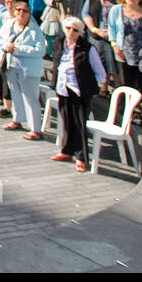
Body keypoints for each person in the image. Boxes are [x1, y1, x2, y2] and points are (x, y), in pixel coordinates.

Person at [49, 18, 107, 171]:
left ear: (81, 32)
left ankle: (81, 158)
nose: (70, 32)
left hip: (80, 90)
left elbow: (100, 72)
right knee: (67, 122)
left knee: (80, 124)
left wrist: (93, 86)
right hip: (63, 87)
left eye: (75, 30)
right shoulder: (59, 43)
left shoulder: (88, 48)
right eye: (68, 28)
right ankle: (67, 150)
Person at [0, 0, 47, 135]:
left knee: (30, 98)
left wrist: (19, 49)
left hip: (29, 69)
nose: (21, 13)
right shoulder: (9, 24)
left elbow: (40, 50)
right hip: (11, 65)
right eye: (18, 10)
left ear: (29, 14)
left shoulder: (35, 29)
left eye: (24, 11)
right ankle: (17, 120)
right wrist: (5, 46)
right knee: (15, 94)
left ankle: (36, 129)